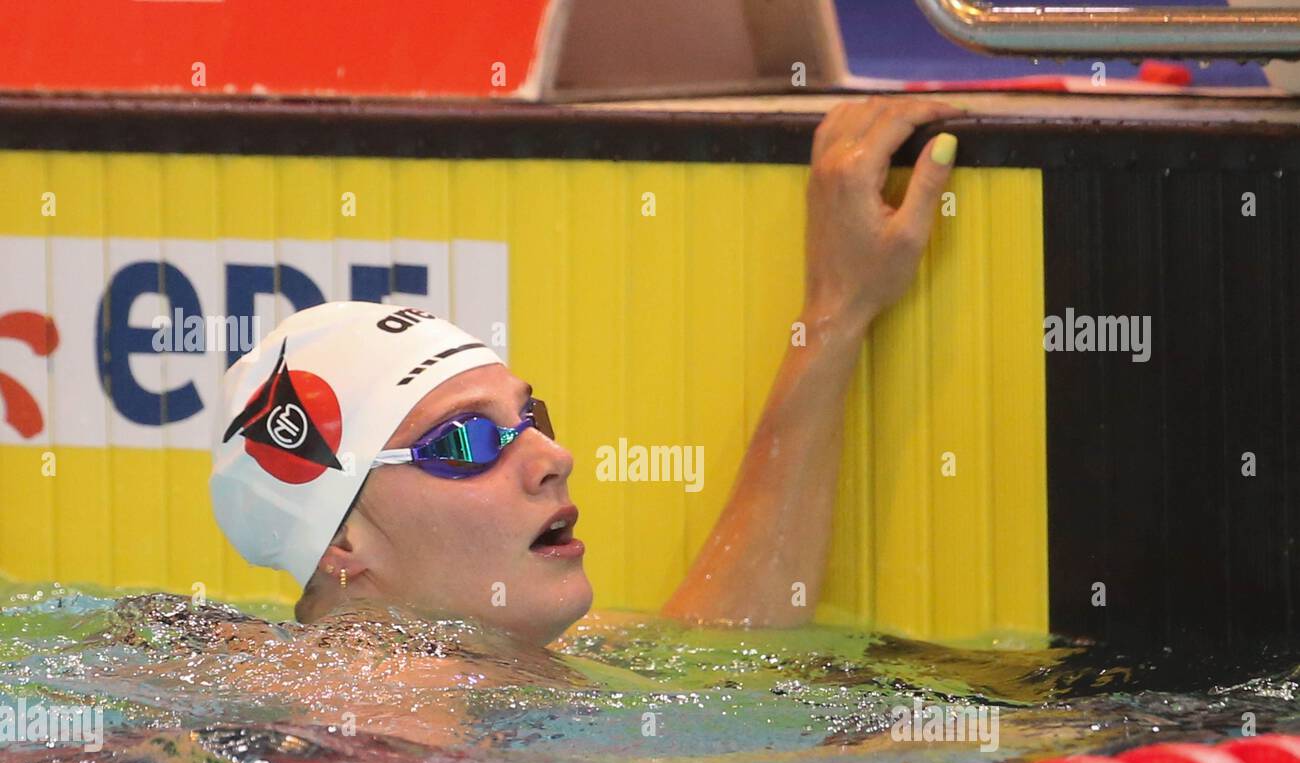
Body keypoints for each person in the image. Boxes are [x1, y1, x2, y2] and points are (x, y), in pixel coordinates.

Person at [211, 98, 960, 655]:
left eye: (531, 418)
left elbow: (717, 648)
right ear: (342, 541)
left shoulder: (472, 656)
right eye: (468, 441)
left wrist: (839, 306)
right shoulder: (390, 700)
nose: (552, 459)